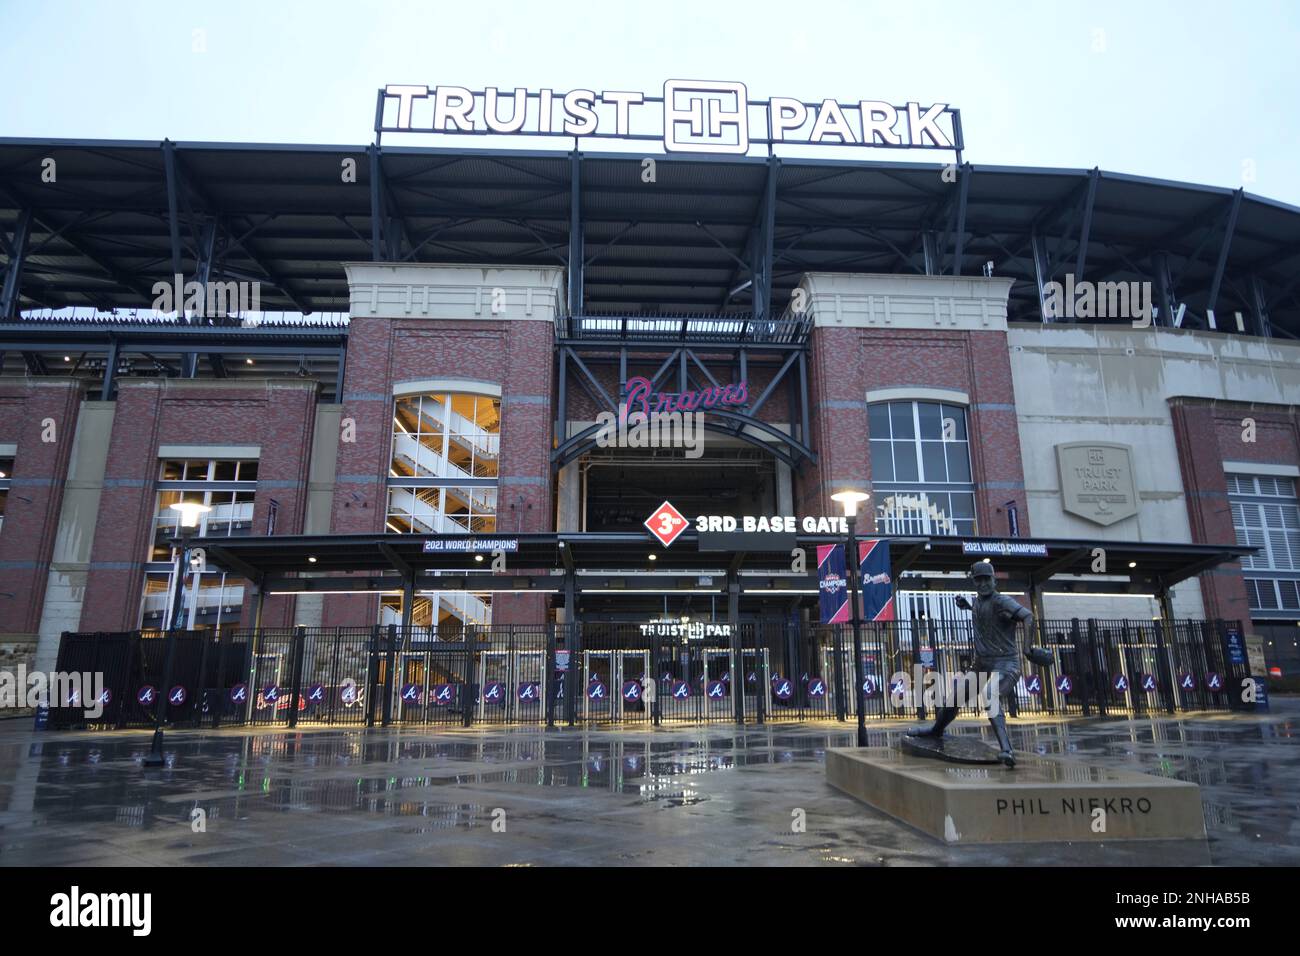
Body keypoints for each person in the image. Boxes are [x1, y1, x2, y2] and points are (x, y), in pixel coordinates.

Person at [907, 561, 1033, 767]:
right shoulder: (977, 602)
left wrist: (1028, 649)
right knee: (953, 699)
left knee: (990, 695)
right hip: (981, 665)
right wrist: (967, 606)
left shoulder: (1002, 601)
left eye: (986, 579)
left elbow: (1028, 617)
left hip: (1005, 664)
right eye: (979, 580)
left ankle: (1006, 749)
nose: (983, 584)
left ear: (994, 580)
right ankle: (936, 730)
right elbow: (980, 612)